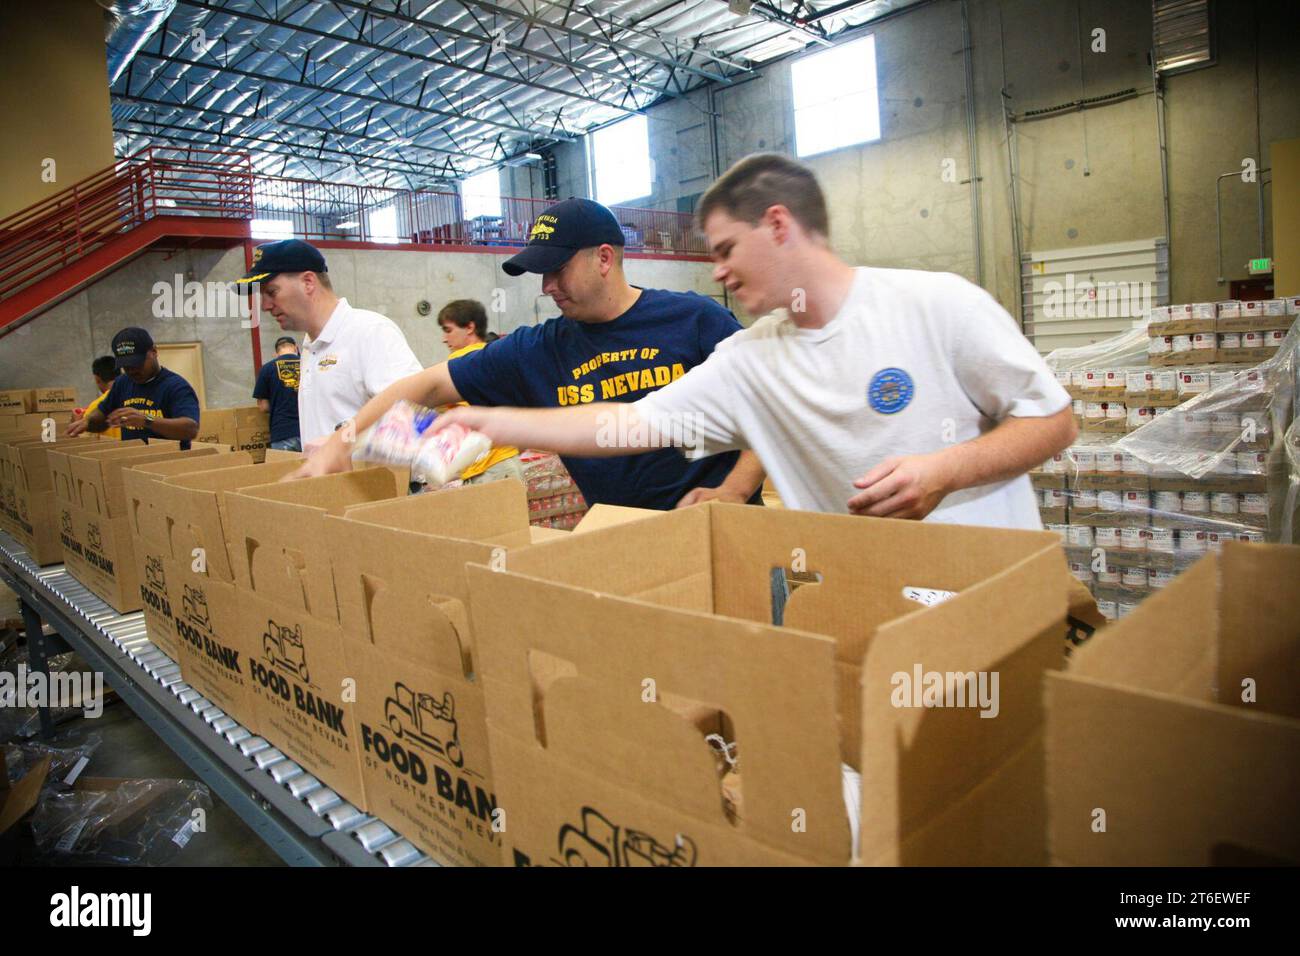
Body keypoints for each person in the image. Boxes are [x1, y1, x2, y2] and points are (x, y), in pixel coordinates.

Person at [430, 154, 1077, 530]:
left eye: (726, 250)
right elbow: (623, 424)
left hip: (991, 590)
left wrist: (943, 468)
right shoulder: (748, 360)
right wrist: (490, 422)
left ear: (777, 225)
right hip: (860, 603)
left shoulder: (937, 303)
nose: (717, 271)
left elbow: (1053, 422)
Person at [293, 198, 766, 511]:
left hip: (724, 527)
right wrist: (343, 440)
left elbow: (764, 409)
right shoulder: (537, 348)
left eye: (557, 270)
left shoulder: (695, 320)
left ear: (604, 258)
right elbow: (427, 385)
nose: (546, 287)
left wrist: (735, 490)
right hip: (620, 536)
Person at [235, 239, 422, 448]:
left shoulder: (369, 332)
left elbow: (412, 415)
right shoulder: (309, 347)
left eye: (271, 292)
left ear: (308, 282)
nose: (266, 306)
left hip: (377, 480)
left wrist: (341, 440)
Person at [435, 299, 522, 485]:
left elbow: (431, 399)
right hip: (503, 462)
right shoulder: (495, 357)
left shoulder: (459, 363)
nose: (444, 338)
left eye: (448, 330)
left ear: (469, 328)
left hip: (490, 469)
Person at [68, 328, 200, 448]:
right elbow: (102, 415)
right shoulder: (122, 383)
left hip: (170, 467)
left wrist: (146, 420)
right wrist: (88, 422)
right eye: (126, 366)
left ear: (154, 352)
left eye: (137, 363)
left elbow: (190, 429)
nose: (132, 370)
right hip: (134, 465)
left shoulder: (175, 386)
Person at [254, 335, 302, 452]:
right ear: (296, 348)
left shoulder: (267, 369)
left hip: (282, 432)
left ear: (276, 353)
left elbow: (263, 406)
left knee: (285, 469)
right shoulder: (308, 365)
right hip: (310, 430)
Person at [76, 355, 122, 440]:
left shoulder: (95, 407)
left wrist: (77, 422)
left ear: (97, 379)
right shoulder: (134, 399)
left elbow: (85, 441)